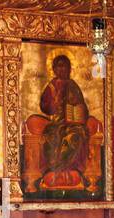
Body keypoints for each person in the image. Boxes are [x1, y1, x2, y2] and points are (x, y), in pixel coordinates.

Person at [37, 54, 92, 189]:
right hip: (56, 123)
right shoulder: (51, 86)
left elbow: (82, 107)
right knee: (50, 135)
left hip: (73, 124)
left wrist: (78, 110)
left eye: (65, 67)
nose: (62, 70)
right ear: (54, 69)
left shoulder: (73, 85)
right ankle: (52, 169)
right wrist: (53, 104)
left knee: (76, 135)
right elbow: (44, 106)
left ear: (69, 69)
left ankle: (72, 169)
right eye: (59, 67)